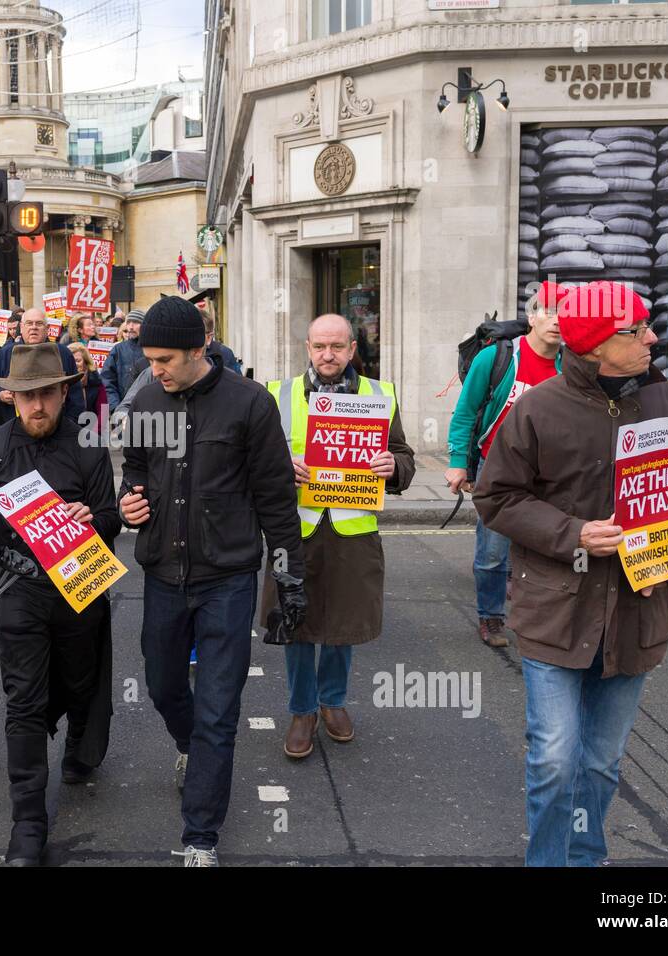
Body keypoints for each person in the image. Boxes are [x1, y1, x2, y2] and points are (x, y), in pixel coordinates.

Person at [474, 280, 668, 867]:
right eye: (635, 330)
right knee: (555, 758)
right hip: (554, 613)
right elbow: (499, 499)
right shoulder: (537, 408)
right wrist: (574, 534)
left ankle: (584, 857)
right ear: (593, 345)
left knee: (598, 762)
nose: (651, 338)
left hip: (639, 609)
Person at [119, 296, 307, 866]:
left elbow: (276, 500)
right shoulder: (147, 399)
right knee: (161, 684)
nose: (156, 369)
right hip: (162, 574)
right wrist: (131, 500)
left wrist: (289, 577)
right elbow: (134, 465)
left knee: (219, 710)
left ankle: (200, 837)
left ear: (199, 349)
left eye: (166, 358)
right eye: (149, 358)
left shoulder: (251, 404)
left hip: (227, 578)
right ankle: (188, 744)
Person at [0, 344, 119, 865]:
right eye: (27, 396)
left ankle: (78, 745)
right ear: (12, 398)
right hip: (18, 587)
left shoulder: (89, 445)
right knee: (22, 701)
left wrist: (92, 517)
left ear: (64, 392)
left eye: (46, 393)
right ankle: (27, 822)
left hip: (81, 581)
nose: (37, 405)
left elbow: (112, 519)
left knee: (77, 682)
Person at [263, 314, 415, 758]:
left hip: (353, 531)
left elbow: (403, 455)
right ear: (307, 348)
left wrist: (394, 468)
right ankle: (302, 710)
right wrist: (277, 468)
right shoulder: (279, 394)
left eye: (337, 347)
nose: (327, 355)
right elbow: (252, 457)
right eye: (319, 347)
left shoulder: (379, 395)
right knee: (296, 622)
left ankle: (332, 702)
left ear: (352, 349)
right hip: (296, 529)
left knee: (341, 625)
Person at [444, 288, 562, 649]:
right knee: (493, 551)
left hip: (550, 473)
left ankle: (537, 618)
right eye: (548, 311)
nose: (557, 319)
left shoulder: (571, 366)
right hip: (497, 468)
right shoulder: (497, 358)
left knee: (546, 548)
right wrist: (457, 463)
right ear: (531, 316)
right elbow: (466, 412)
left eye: (564, 313)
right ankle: (491, 617)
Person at [0, 308, 84, 423]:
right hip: (16, 430)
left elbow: (76, 396)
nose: (33, 327)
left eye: (39, 323)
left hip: (56, 428)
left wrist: (67, 426)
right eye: (29, 323)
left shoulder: (62, 353)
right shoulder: (6, 353)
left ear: (47, 328)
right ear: (22, 327)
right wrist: (0, 395)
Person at [100, 309, 143, 407]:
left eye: (136, 322)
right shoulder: (118, 349)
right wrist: (116, 408)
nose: (131, 327)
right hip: (122, 411)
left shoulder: (152, 350)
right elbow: (107, 381)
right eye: (128, 322)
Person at [67, 342, 107, 429]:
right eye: (71, 361)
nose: (74, 364)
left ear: (86, 362)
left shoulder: (97, 383)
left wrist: (92, 435)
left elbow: (103, 413)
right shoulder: (63, 383)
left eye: (78, 361)